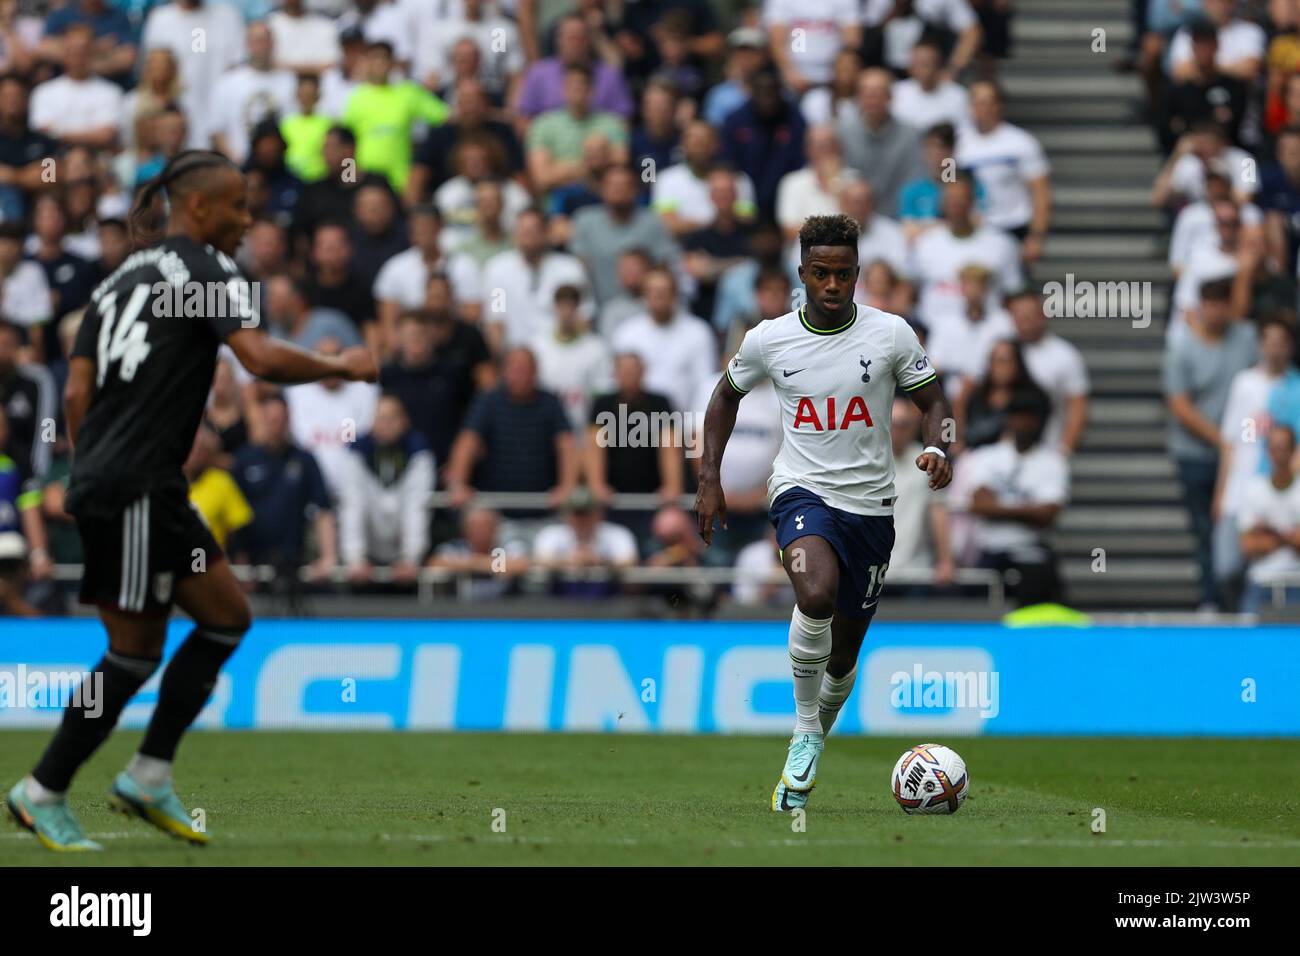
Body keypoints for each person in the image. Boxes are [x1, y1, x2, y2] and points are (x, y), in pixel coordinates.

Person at [5, 149, 378, 852]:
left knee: (226, 618)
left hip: (132, 483)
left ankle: (147, 774)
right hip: (138, 485)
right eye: (238, 206)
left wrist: (89, 473)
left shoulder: (118, 281)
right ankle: (44, 788)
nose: (246, 221)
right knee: (133, 653)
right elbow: (261, 359)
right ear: (200, 208)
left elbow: (79, 392)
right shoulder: (209, 272)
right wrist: (343, 363)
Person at [694, 213, 952, 813]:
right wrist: (709, 476)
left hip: (871, 506)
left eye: (843, 274)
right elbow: (724, 397)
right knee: (814, 595)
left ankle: (819, 725)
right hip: (802, 491)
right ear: (802, 273)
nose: (832, 284)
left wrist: (939, 445)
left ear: (857, 274)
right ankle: (804, 730)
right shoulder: (770, 338)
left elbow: (933, 396)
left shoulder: (891, 334)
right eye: (820, 273)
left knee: (843, 654)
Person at [1238, 424, 1300, 611]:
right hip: (1261, 581)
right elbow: (1248, 545)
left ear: (1293, 451)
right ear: (1268, 452)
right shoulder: (1253, 490)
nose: (1279, 455)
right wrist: (1289, 536)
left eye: (1284, 448)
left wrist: (1269, 532)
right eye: (1275, 449)